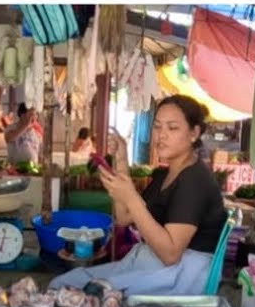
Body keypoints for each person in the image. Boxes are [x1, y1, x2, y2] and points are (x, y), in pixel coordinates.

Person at [48, 95, 225, 295]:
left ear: (194, 133)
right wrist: (121, 161)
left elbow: (170, 254)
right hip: (154, 262)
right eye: (157, 126)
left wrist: (131, 196)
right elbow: (124, 217)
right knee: (64, 283)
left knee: (84, 294)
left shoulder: (194, 181)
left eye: (172, 128)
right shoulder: (165, 174)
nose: (161, 135)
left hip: (180, 274)